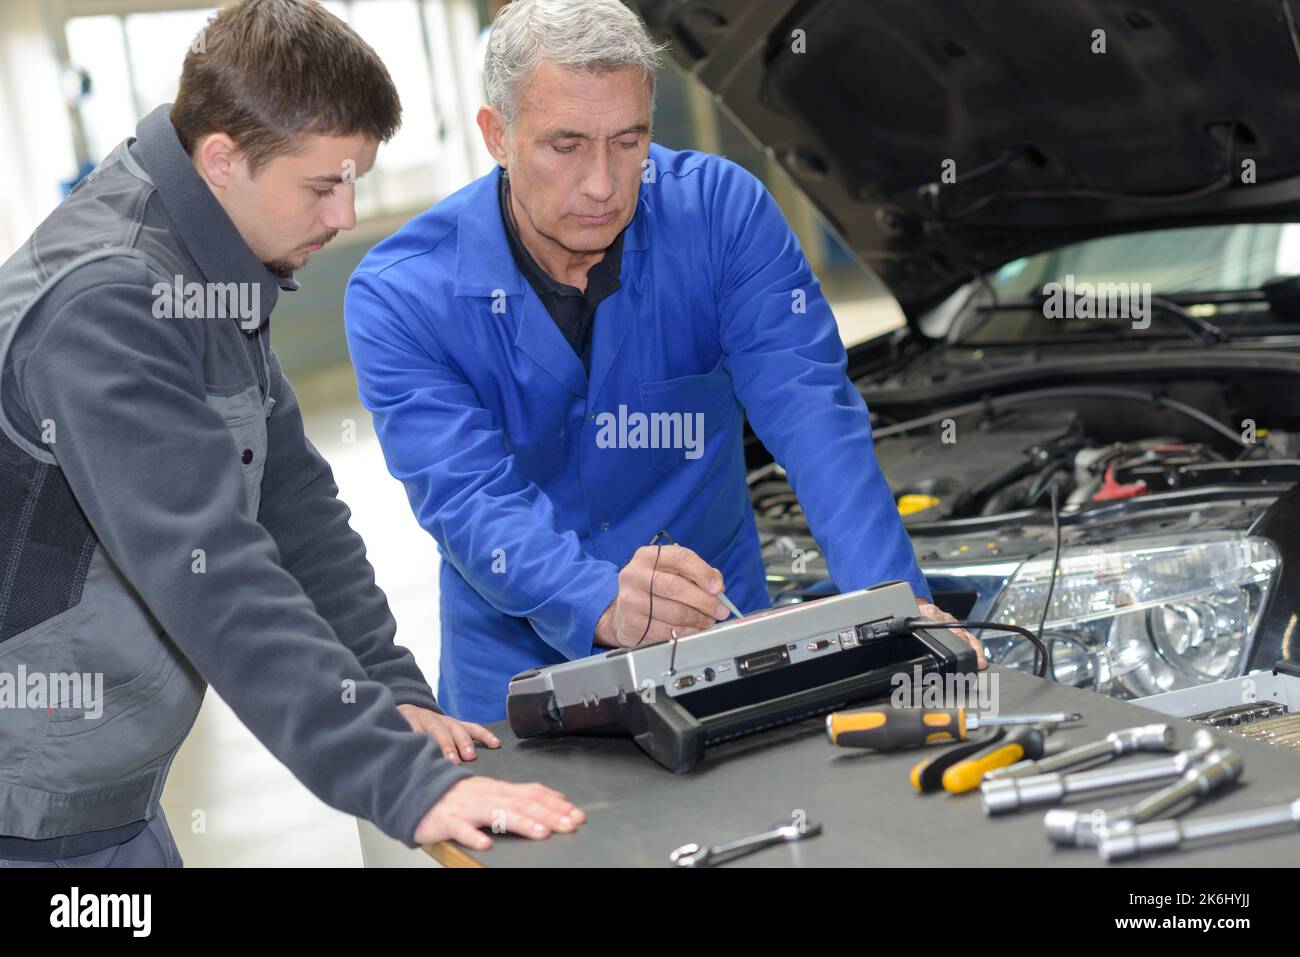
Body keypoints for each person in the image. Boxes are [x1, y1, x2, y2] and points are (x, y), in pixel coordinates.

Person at [0, 0, 582, 867]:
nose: (345, 214)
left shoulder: (211, 255)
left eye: (354, 181)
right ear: (222, 159)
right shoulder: (108, 304)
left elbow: (294, 505)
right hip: (27, 807)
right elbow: (213, 571)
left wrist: (387, 689)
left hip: (102, 791)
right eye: (322, 186)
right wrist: (407, 783)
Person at [345, 0, 984, 725]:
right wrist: (598, 599)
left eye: (629, 140)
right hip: (516, 670)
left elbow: (812, 413)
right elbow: (469, 500)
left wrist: (895, 606)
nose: (603, 183)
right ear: (497, 134)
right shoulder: (401, 295)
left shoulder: (722, 217)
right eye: (566, 145)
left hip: (720, 636)